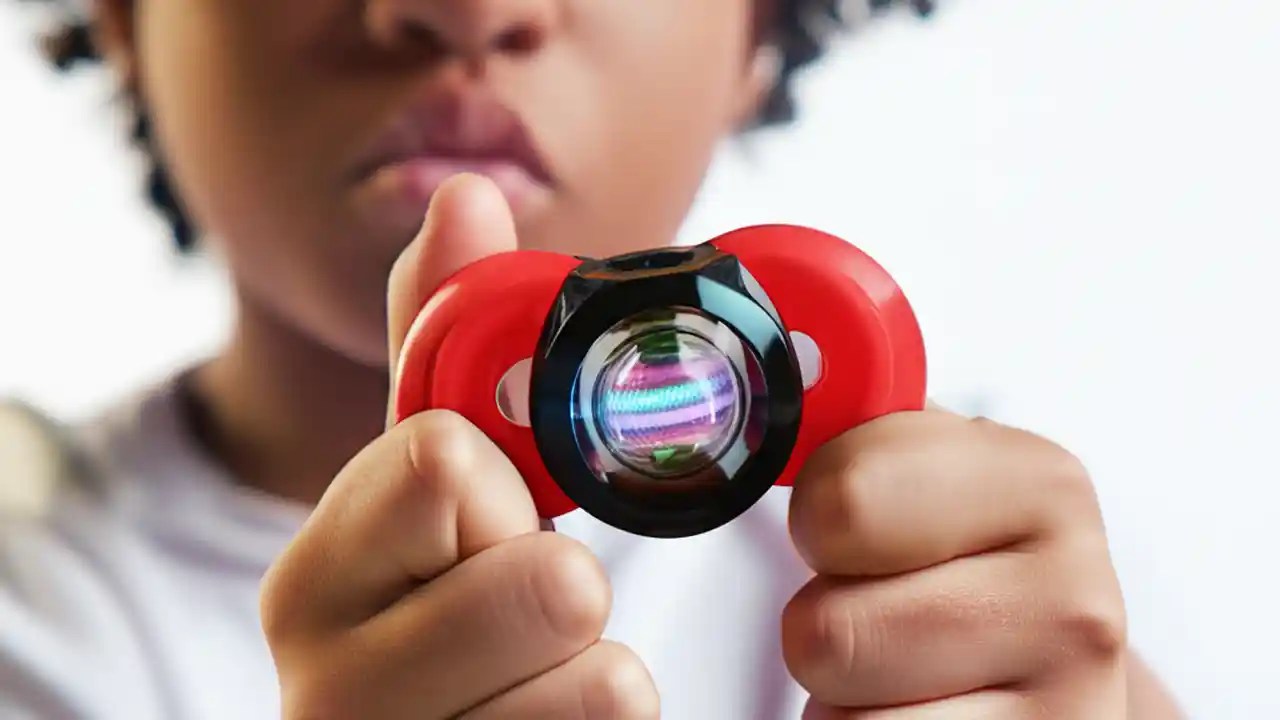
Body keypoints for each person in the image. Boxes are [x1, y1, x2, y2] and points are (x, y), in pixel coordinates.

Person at [0, 0, 1184, 718]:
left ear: (758, 34)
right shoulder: (33, 618)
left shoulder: (1008, 597)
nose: (469, 11)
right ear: (121, 18)